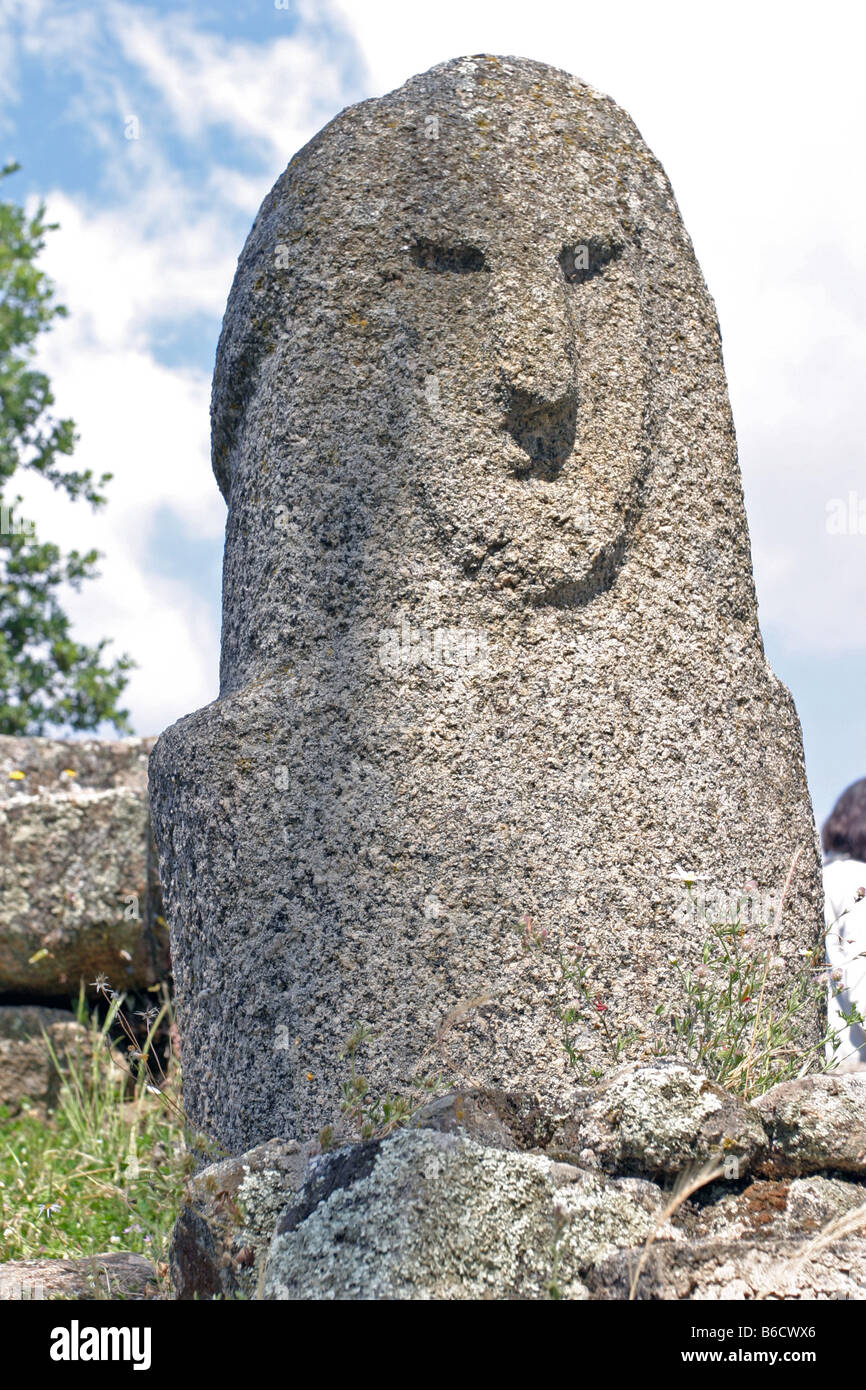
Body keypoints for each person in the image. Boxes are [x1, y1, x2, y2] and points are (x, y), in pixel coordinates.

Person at [823, 777, 866, 1070]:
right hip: (849, 1057)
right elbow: (862, 969)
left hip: (817, 1047)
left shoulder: (821, 874)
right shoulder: (860, 880)